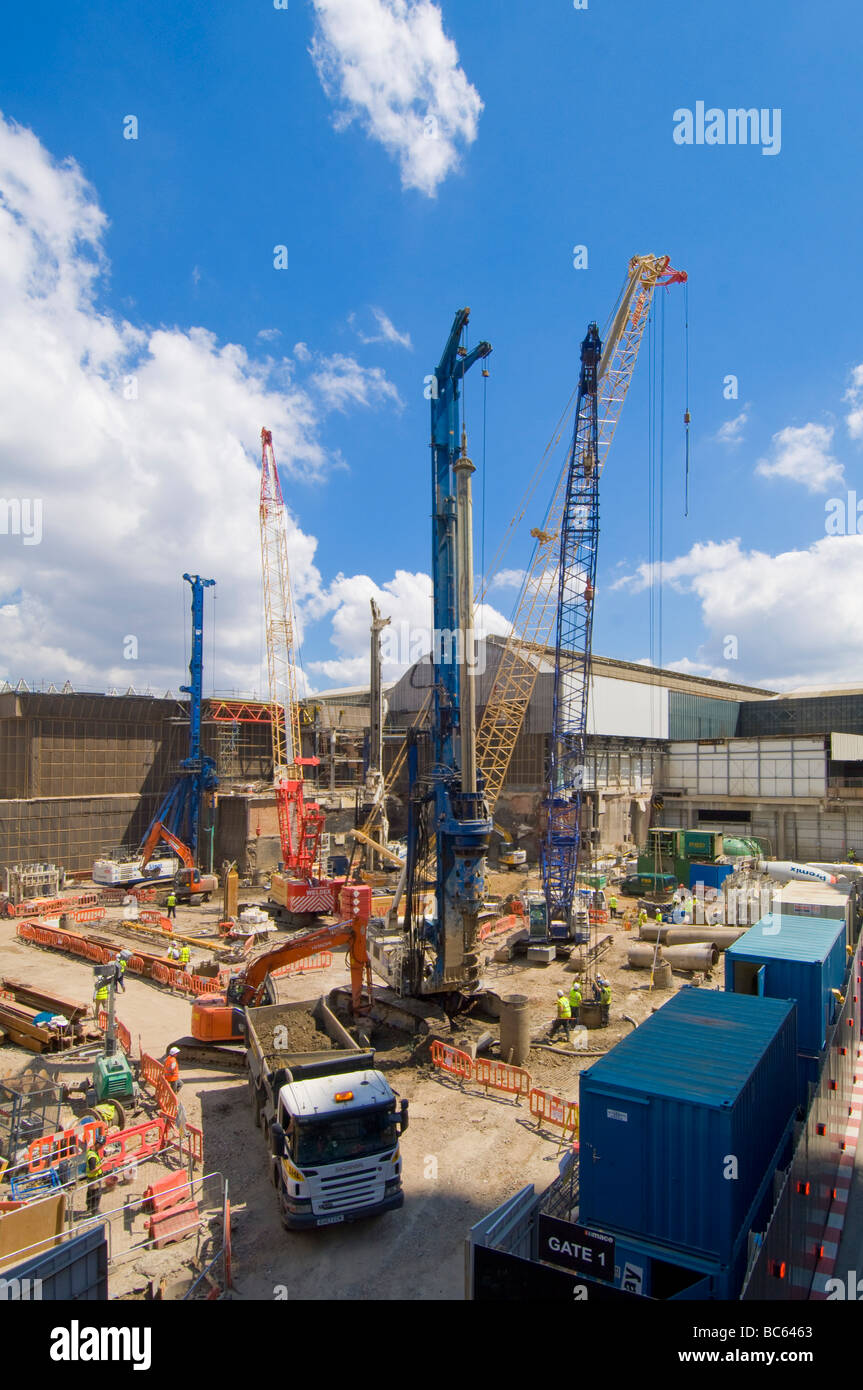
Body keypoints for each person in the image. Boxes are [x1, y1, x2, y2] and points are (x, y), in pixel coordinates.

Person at [85, 1144, 103, 1216]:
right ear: (98, 1144)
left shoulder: (90, 1151)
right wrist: (102, 1164)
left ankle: (89, 1207)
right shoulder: (92, 1157)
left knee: (90, 1193)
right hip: (94, 1177)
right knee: (96, 1194)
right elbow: (93, 1169)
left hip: (91, 1177)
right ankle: (94, 1211)